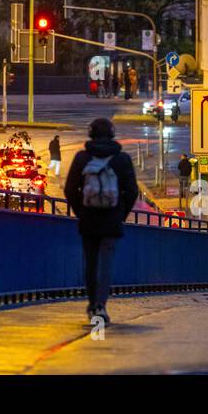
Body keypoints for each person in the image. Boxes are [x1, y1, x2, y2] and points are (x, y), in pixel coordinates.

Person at [63, 117, 139, 325]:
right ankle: (101, 306)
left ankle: (91, 304)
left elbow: (70, 189)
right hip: (111, 220)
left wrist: (81, 211)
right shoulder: (122, 159)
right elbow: (132, 191)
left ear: (91, 133)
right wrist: (120, 213)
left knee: (90, 262)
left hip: (88, 219)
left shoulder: (82, 158)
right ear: (112, 134)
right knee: (105, 263)